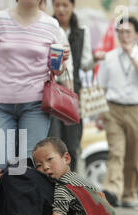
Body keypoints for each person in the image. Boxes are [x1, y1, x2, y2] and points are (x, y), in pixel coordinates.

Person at [0, 0, 72, 170]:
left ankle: (25, 197)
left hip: (36, 105)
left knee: (30, 164)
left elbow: (56, 70)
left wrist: (61, 61)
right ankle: (1, 197)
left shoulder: (51, 24)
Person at [96, 16, 138, 209]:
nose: (124, 36)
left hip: (137, 110)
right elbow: (102, 87)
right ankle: (111, 190)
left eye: (128, 32)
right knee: (116, 152)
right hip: (113, 109)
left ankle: (129, 193)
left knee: (132, 155)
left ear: (136, 34)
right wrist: (99, 113)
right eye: (120, 32)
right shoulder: (109, 57)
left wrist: (131, 56)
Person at [46, 0, 95, 171]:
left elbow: (85, 63)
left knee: (72, 143)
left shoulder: (82, 31)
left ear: (73, 6)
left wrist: (96, 59)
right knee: (53, 140)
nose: (61, 9)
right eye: (57, 5)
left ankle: (71, 183)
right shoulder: (47, 26)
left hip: (73, 93)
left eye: (65, 5)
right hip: (51, 92)